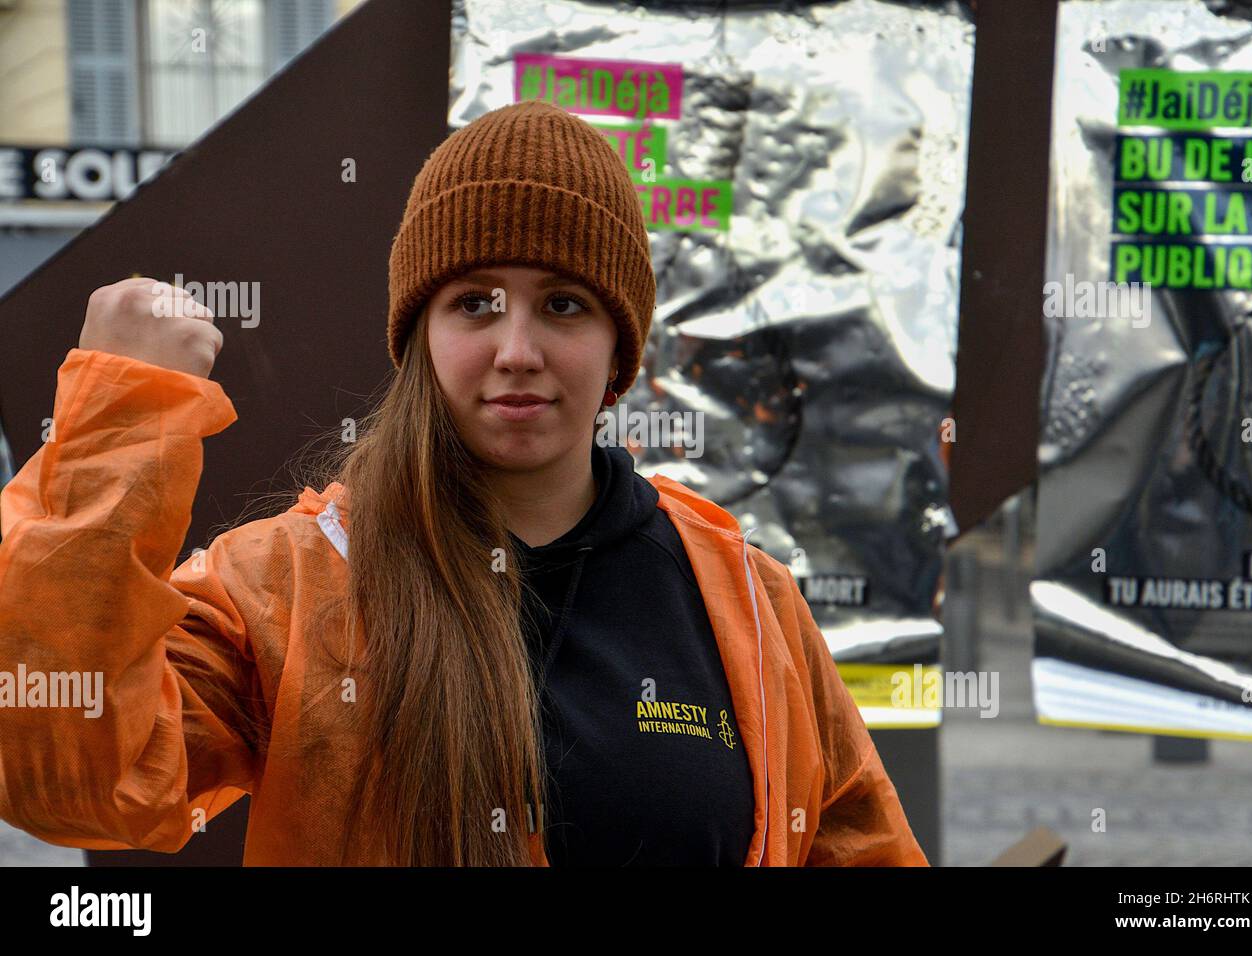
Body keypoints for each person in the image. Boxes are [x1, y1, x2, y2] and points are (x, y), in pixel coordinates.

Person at [0, 100, 927, 867]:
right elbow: (72, 779)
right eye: (474, 302)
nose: (516, 351)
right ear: (418, 340)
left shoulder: (748, 602)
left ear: (619, 351)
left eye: (562, 303)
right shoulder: (287, 585)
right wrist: (121, 419)